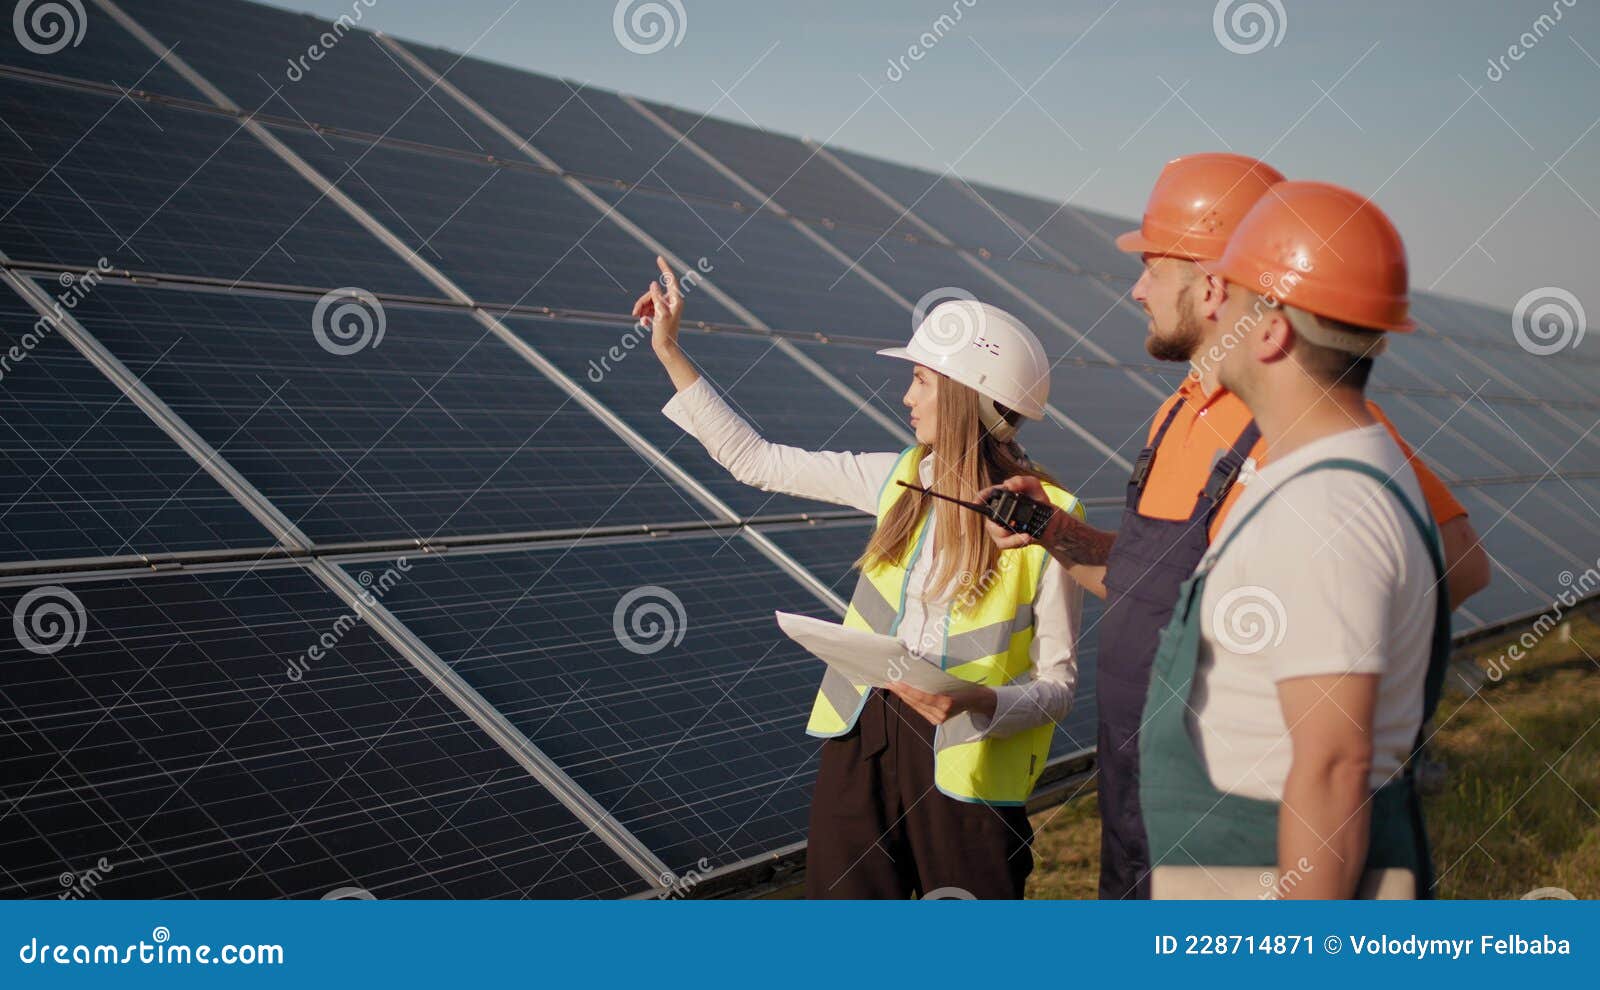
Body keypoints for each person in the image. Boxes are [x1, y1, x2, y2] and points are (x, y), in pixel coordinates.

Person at [983, 154, 1490, 899]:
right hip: (1142, 798)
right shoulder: (1176, 412)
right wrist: (1056, 531)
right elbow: (1152, 585)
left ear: (1214, 282)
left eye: (1154, 267)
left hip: (1247, 821)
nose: (1137, 287)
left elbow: (1451, 567)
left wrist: (1323, 680)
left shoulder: (1317, 441)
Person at [632, 257, 1088, 899]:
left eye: (922, 381)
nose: (906, 397)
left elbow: (1059, 686)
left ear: (965, 394)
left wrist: (979, 701)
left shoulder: (1053, 520)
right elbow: (755, 461)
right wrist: (670, 350)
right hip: (862, 739)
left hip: (966, 762)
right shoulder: (894, 477)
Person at [1139, 180, 1451, 898]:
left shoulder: (1325, 509)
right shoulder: (1326, 469)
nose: (1213, 309)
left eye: (1232, 296)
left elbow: (1333, 767)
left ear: (1272, 331)